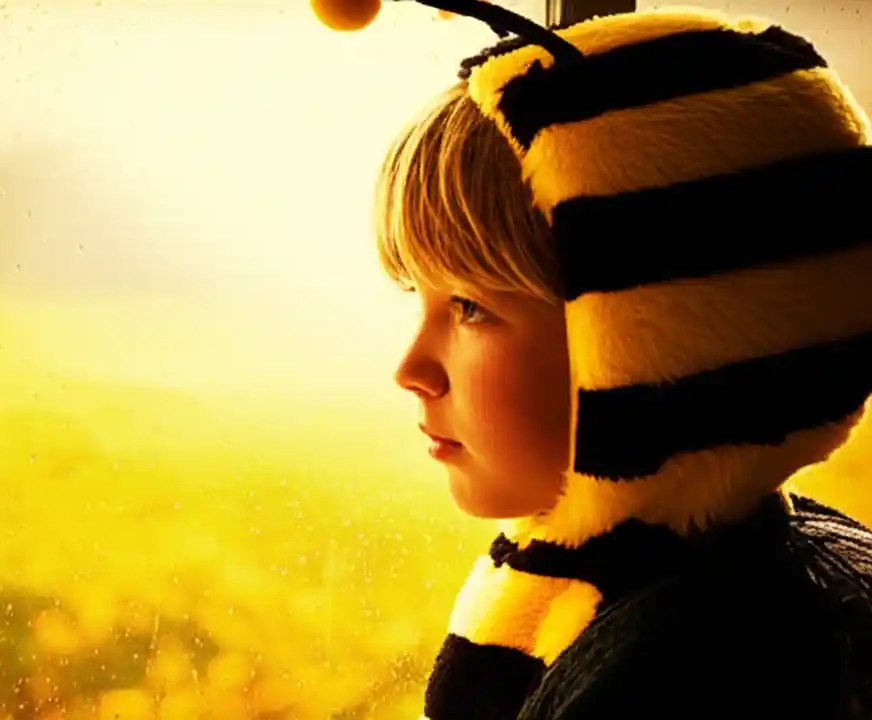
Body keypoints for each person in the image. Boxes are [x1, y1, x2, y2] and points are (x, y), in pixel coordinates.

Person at [359, 4, 872, 719]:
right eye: (418, 295)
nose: (412, 369)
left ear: (666, 340)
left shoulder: (699, 665)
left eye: (471, 308)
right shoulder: (759, 560)